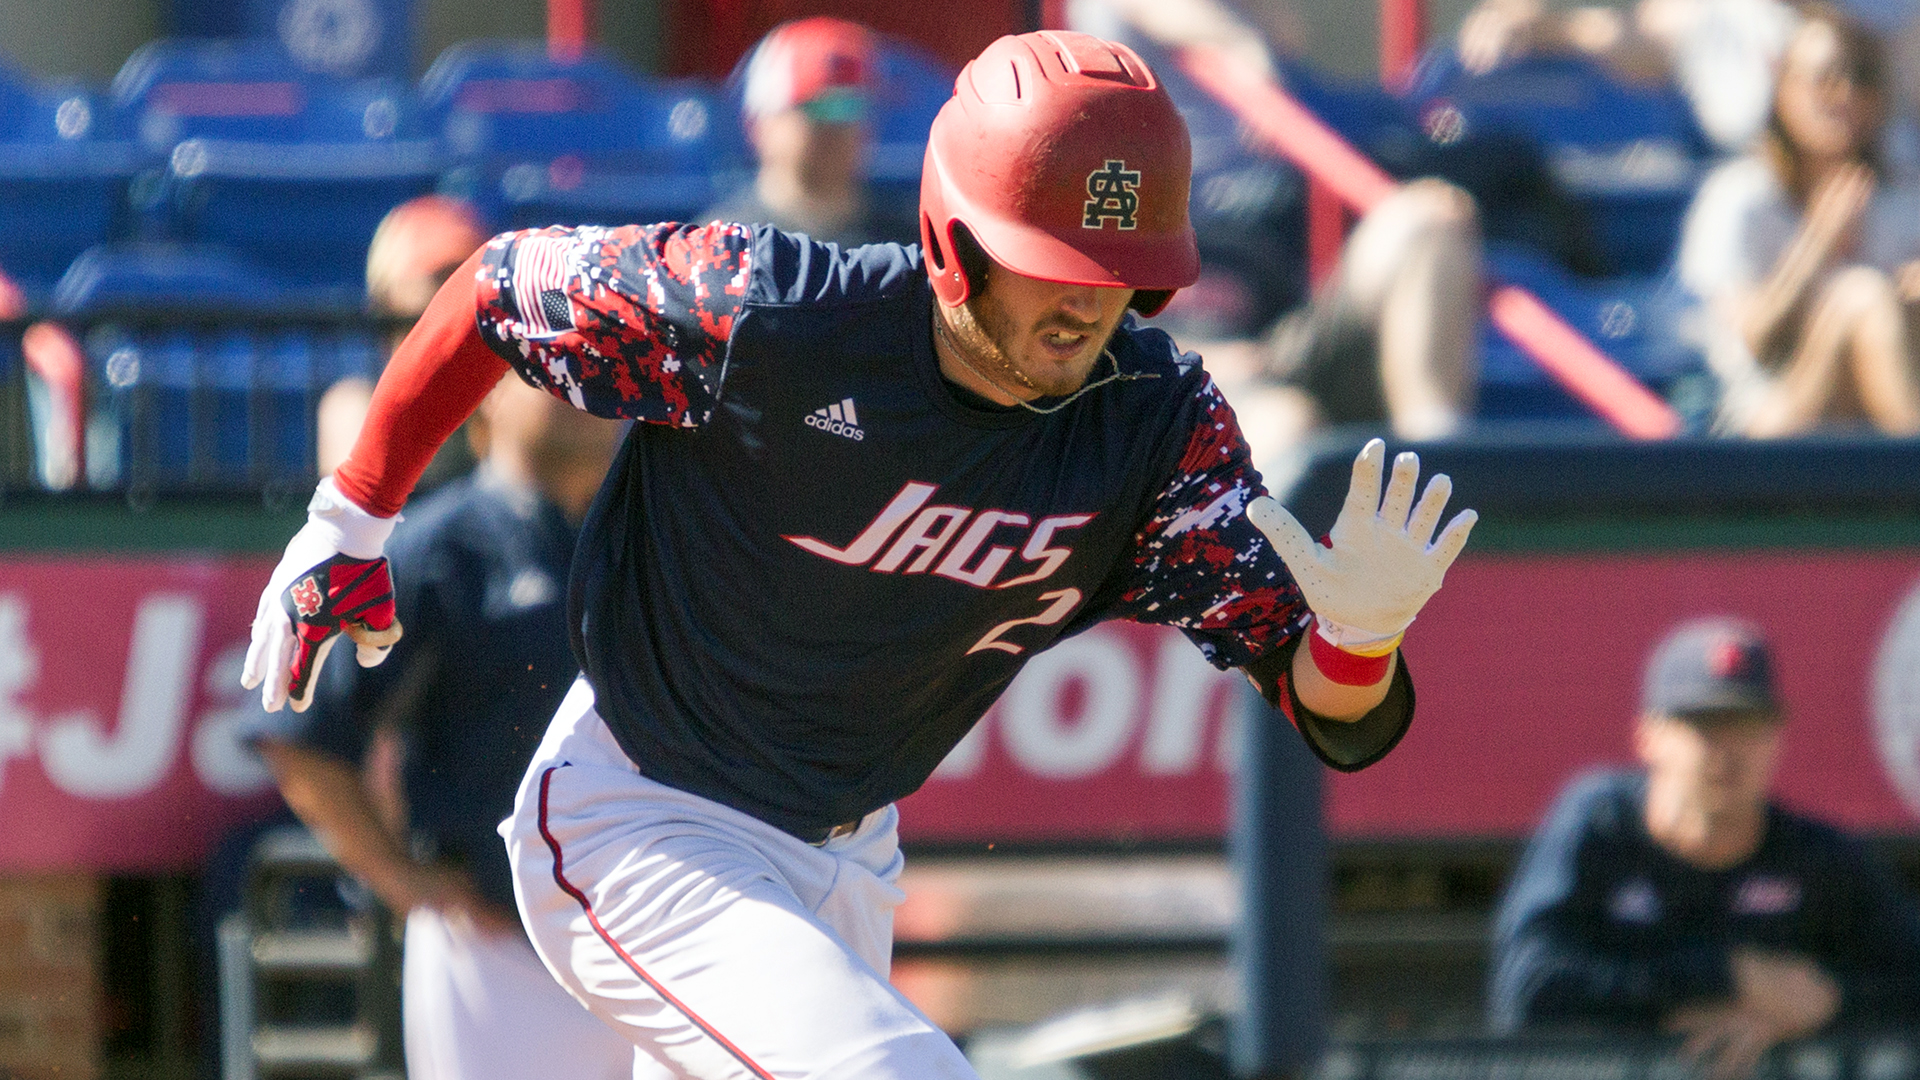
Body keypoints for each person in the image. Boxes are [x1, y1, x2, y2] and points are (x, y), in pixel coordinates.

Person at [242, 30, 1478, 1078]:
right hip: (644, 812)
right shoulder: (770, 313)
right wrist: (349, 518)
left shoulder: (1154, 426)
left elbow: (1328, 712)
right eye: (1052, 265)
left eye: (1119, 276)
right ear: (956, 238)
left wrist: (1356, 646)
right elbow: (497, 291)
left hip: (847, 857)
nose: (1084, 306)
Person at [246, 374, 633, 1080]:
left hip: (652, 925)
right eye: (551, 374)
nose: (580, 391)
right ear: (486, 398)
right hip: (493, 946)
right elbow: (300, 736)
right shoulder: (436, 546)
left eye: (594, 371)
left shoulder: (647, 541)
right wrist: (402, 879)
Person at [1490, 616, 1920, 1078]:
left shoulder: (1816, 856)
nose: (1727, 750)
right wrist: (1725, 978)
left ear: (1777, 738)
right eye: (1704, 725)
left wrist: (1826, 1004)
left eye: (1747, 725)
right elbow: (1526, 988)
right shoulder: (1601, 825)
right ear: (1647, 736)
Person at [1678, 4, 1920, 437]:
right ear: (1783, 86)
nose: (1843, 94)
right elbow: (1754, 346)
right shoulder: (1738, 198)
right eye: (1824, 78)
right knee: (1858, 296)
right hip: (1766, 423)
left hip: (1870, 412)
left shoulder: (1902, 197)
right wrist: (1816, 244)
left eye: (1861, 79)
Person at [700, 17, 919, 249]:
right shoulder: (726, 248)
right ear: (758, 123)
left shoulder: (906, 241)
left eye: (851, 107)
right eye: (817, 109)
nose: (836, 127)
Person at [318, 195, 491, 477]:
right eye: (441, 276)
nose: (457, 291)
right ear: (387, 296)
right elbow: (357, 506)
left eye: (468, 273)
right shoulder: (354, 408)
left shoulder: (509, 404)